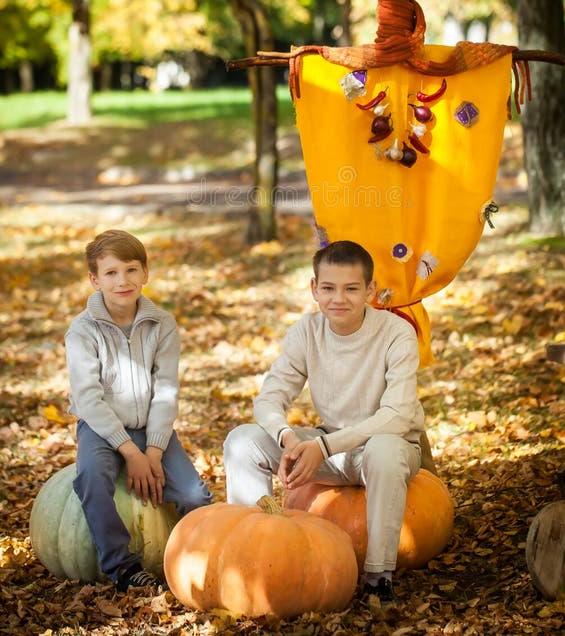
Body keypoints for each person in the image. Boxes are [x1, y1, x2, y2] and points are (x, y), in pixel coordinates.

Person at [224, 239, 424, 603]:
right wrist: (286, 437)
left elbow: (397, 416)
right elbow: (270, 397)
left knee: (383, 451)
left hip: (386, 449)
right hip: (330, 447)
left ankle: (379, 576)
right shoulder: (306, 331)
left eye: (351, 289)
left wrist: (322, 447)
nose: (339, 299)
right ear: (314, 289)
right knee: (242, 440)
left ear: (370, 290)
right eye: (328, 288)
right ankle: (253, 558)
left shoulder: (396, 334)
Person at [65, 229, 212, 592]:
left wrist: (154, 450)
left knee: (195, 495)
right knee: (92, 479)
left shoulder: (161, 324)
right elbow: (88, 399)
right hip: (99, 428)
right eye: (111, 273)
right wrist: (130, 453)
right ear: (94, 279)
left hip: (151, 427)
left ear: (145, 273)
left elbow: (166, 390)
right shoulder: (83, 331)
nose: (123, 281)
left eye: (131, 269)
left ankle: (200, 556)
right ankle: (123, 567)